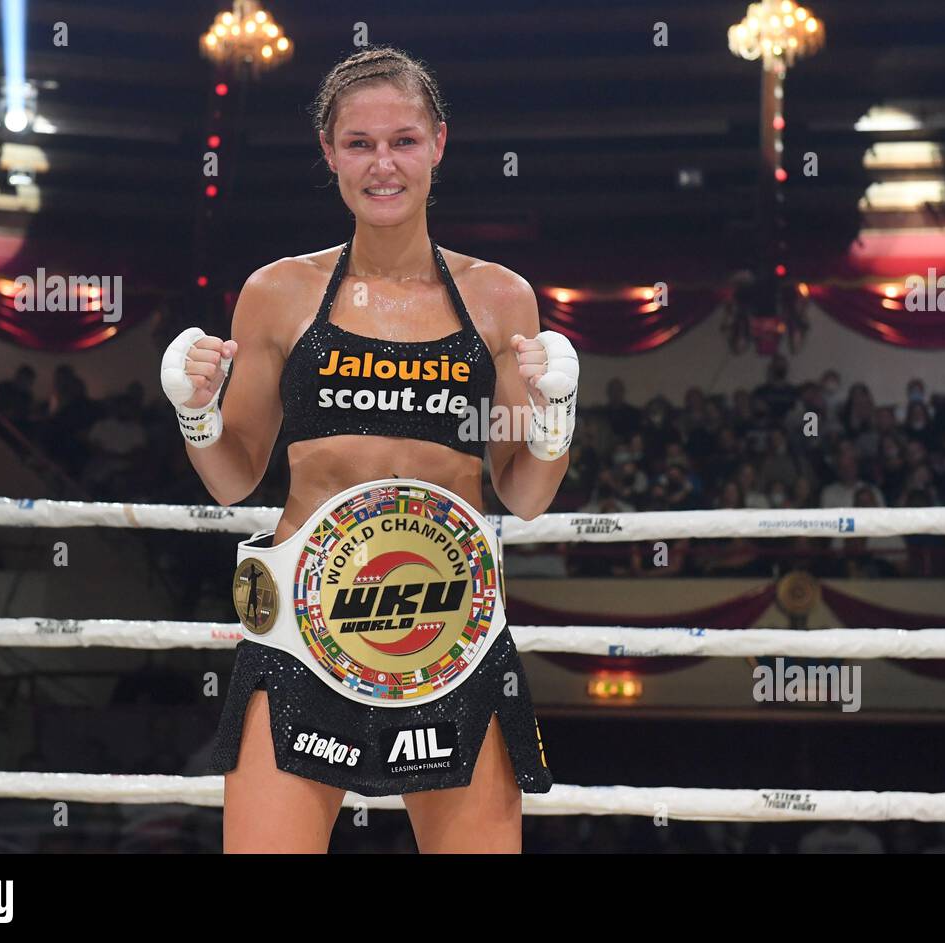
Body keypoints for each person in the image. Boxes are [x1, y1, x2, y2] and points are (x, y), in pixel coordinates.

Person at [159, 47, 577, 854]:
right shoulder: (277, 292)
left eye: (404, 140)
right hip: (298, 637)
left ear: (439, 144)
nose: (382, 164)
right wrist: (196, 414)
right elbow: (235, 476)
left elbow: (524, 493)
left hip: (450, 634)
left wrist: (555, 415)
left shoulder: (500, 297)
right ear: (329, 153)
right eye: (359, 143)